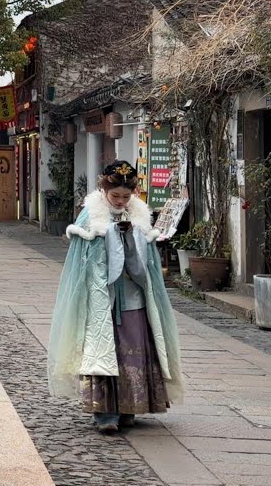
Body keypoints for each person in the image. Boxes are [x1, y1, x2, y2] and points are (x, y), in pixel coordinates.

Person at [47, 160, 184, 434]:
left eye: (126, 196)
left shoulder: (140, 216)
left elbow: (148, 262)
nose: (121, 201)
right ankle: (104, 411)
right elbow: (84, 259)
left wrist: (132, 239)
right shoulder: (91, 217)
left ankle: (129, 406)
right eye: (115, 196)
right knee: (103, 350)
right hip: (101, 295)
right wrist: (111, 237)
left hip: (133, 294)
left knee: (133, 349)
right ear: (104, 190)